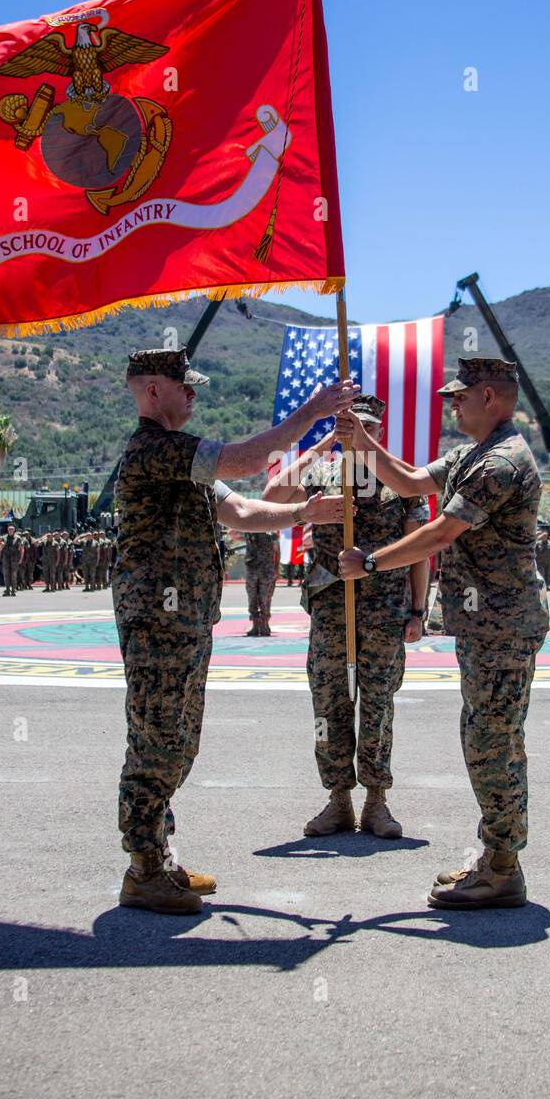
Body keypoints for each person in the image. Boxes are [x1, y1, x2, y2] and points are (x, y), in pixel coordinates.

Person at [112, 347, 358, 916]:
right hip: (158, 623)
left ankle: (159, 857)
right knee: (157, 739)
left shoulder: (179, 457)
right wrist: (311, 414)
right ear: (154, 391)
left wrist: (303, 515)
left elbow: (243, 512)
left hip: (184, 622)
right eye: (184, 385)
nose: (194, 393)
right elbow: (247, 461)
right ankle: (143, 868)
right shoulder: (154, 449)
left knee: (178, 737)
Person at [337, 357, 549, 909]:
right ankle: (495, 857)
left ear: (489, 397)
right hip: (487, 625)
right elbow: (408, 480)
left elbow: (439, 532)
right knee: (486, 739)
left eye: (459, 397)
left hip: (503, 626)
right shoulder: (469, 456)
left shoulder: (500, 462)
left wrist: (371, 562)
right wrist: (361, 443)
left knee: (492, 744)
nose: (451, 404)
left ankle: (503, 867)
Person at [264, 394, 430, 839]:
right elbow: (273, 493)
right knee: (328, 701)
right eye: (351, 427)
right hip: (332, 609)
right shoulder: (322, 474)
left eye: (368, 428)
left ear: (380, 432)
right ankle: (338, 798)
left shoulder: (401, 483)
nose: (360, 434)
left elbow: (421, 553)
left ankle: (377, 800)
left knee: (378, 702)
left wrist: (418, 611)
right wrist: (322, 447)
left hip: (384, 609)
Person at [244, 531, 278, 636]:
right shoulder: (248, 530)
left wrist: (276, 568)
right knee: (252, 597)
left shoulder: (271, 532)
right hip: (252, 567)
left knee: (266, 598)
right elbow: (233, 533)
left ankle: (265, 624)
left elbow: (277, 550)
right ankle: (255, 625)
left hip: (266, 568)